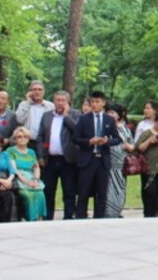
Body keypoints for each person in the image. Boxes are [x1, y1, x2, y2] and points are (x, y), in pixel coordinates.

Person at [73, 90, 121, 219]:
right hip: (87, 159)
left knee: (101, 193)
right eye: (92, 102)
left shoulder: (109, 119)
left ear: (103, 103)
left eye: (97, 102)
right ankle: (80, 217)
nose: (94, 104)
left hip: (102, 160)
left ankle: (99, 218)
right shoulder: (83, 119)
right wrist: (89, 141)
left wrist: (107, 141)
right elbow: (76, 139)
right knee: (83, 191)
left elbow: (117, 139)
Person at [37, 90, 79, 220]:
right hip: (50, 160)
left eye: (63, 101)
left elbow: (78, 131)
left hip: (68, 159)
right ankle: (48, 217)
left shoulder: (76, 114)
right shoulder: (47, 115)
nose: (60, 103)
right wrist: (41, 156)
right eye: (57, 100)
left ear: (68, 102)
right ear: (53, 101)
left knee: (69, 190)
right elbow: (40, 137)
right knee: (48, 190)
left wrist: (66, 116)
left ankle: (68, 217)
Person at [7, 126, 46, 221]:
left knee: (40, 194)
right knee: (28, 195)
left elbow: (36, 168)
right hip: (19, 178)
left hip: (32, 177)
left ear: (28, 138)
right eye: (19, 137)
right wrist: (27, 182)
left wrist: (35, 180)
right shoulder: (10, 151)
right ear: (15, 139)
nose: (22, 138)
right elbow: (14, 169)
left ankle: (39, 218)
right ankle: (28, 218)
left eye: (25, 136)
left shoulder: (32, 152)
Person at [104, 103, 134, 218]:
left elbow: (132, 143)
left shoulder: (125, 128)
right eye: (108, 112)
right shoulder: (105, 126)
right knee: (107, 189)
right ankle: (108, 212)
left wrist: (130, 147)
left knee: (119, 188)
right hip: (108, 163)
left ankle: (117, 211)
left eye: (113, 112)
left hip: (121, 165)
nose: (110, 115)